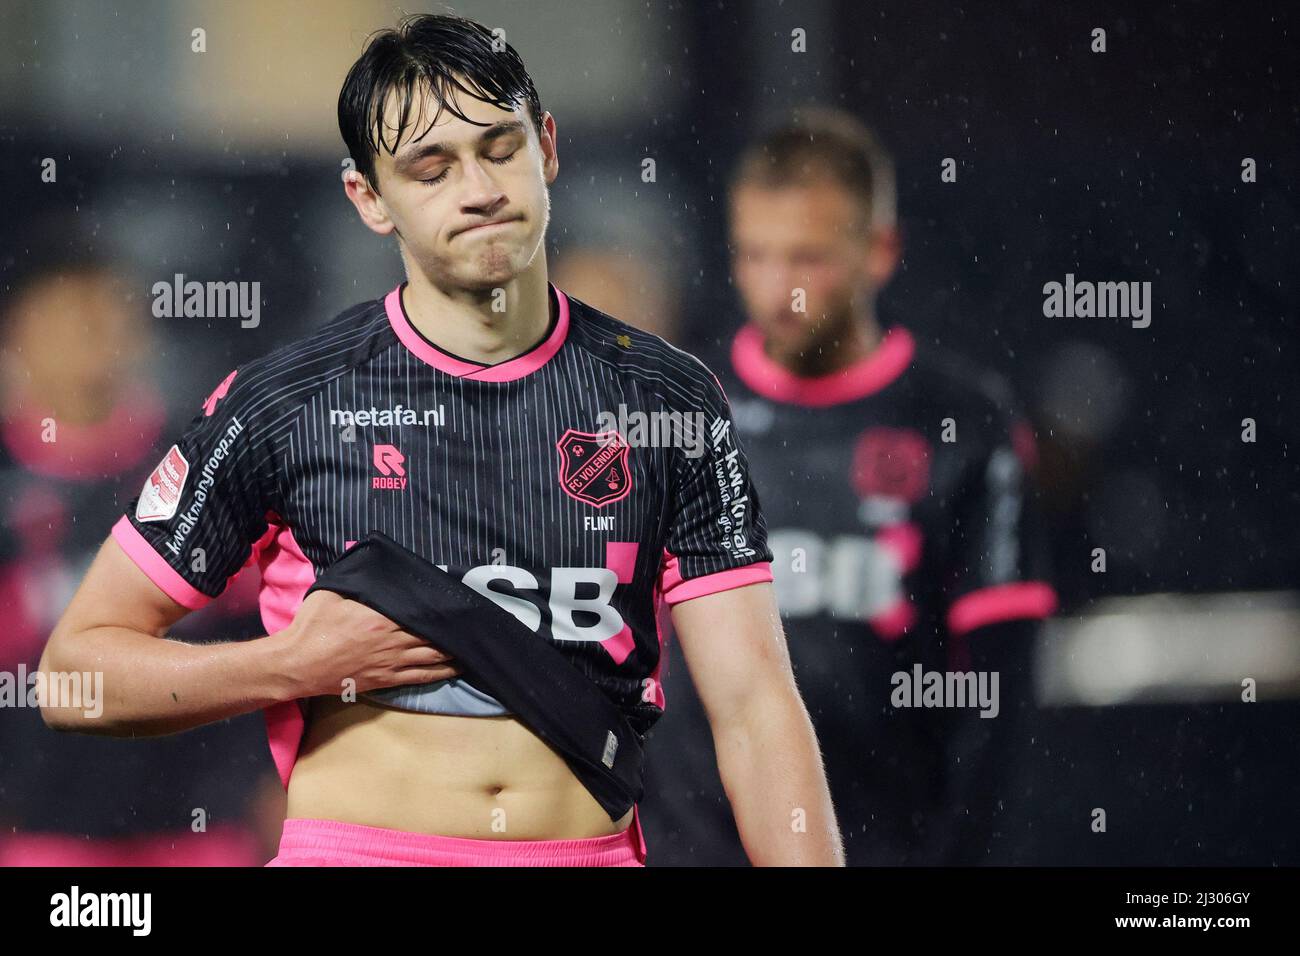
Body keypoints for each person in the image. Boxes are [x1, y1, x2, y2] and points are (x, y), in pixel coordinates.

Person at [37, 14, 842, 867]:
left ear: (549, 149)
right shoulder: (285, 402)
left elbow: (756, 706)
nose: (481, 187)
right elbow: (73, 676)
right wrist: (294, 664)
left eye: (501, 147)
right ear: (370, 200)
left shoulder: (668, 400)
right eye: (432, 167)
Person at [640, 109, 1057, 865]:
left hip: (883, 847)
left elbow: (997, 705)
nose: (777, 289)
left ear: (880, 250)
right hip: (691, 848)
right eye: (755, 255)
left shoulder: (962, 425)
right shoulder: (674, 410)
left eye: (808, 259)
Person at [0, 241, 277, 865]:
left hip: (201, 826)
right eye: (67, 317)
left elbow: (261, 630)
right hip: (40, 832)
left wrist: (267, 779)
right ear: (20, 332)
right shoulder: (7, 477)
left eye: (105, 314)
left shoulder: (199, 455)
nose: (90, 335)